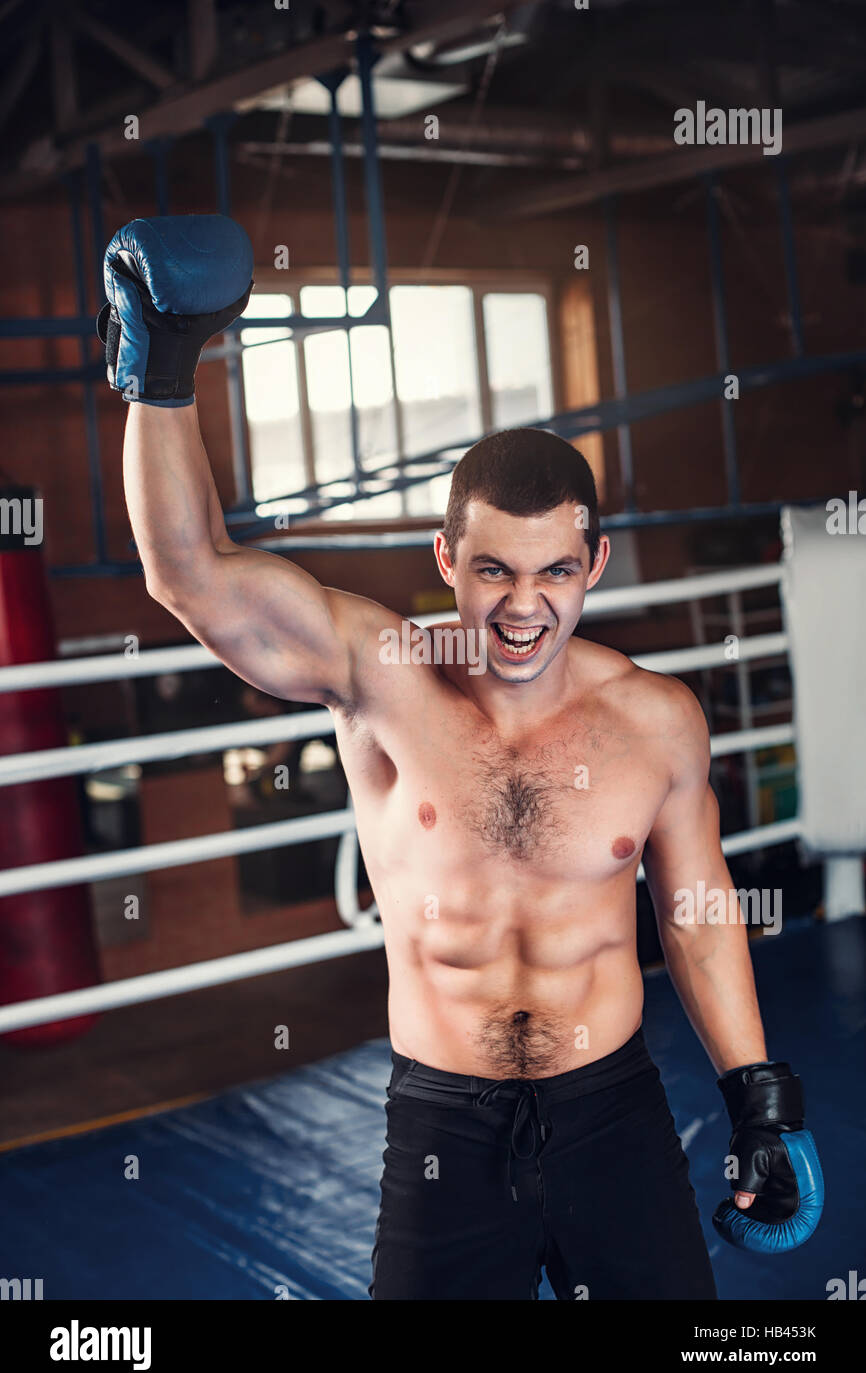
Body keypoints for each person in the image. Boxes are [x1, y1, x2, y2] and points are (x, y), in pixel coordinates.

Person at [97, 214, 822, 1300]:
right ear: (444, 557)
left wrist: (755, 1093)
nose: (522, 607)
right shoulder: (380, 672)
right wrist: (162, 370)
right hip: (443, 1119)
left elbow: (696, 912)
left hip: (610, 1111)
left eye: (553, 574)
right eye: (490, 571)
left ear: (593, 565)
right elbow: (189, 573)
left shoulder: (657, 718)